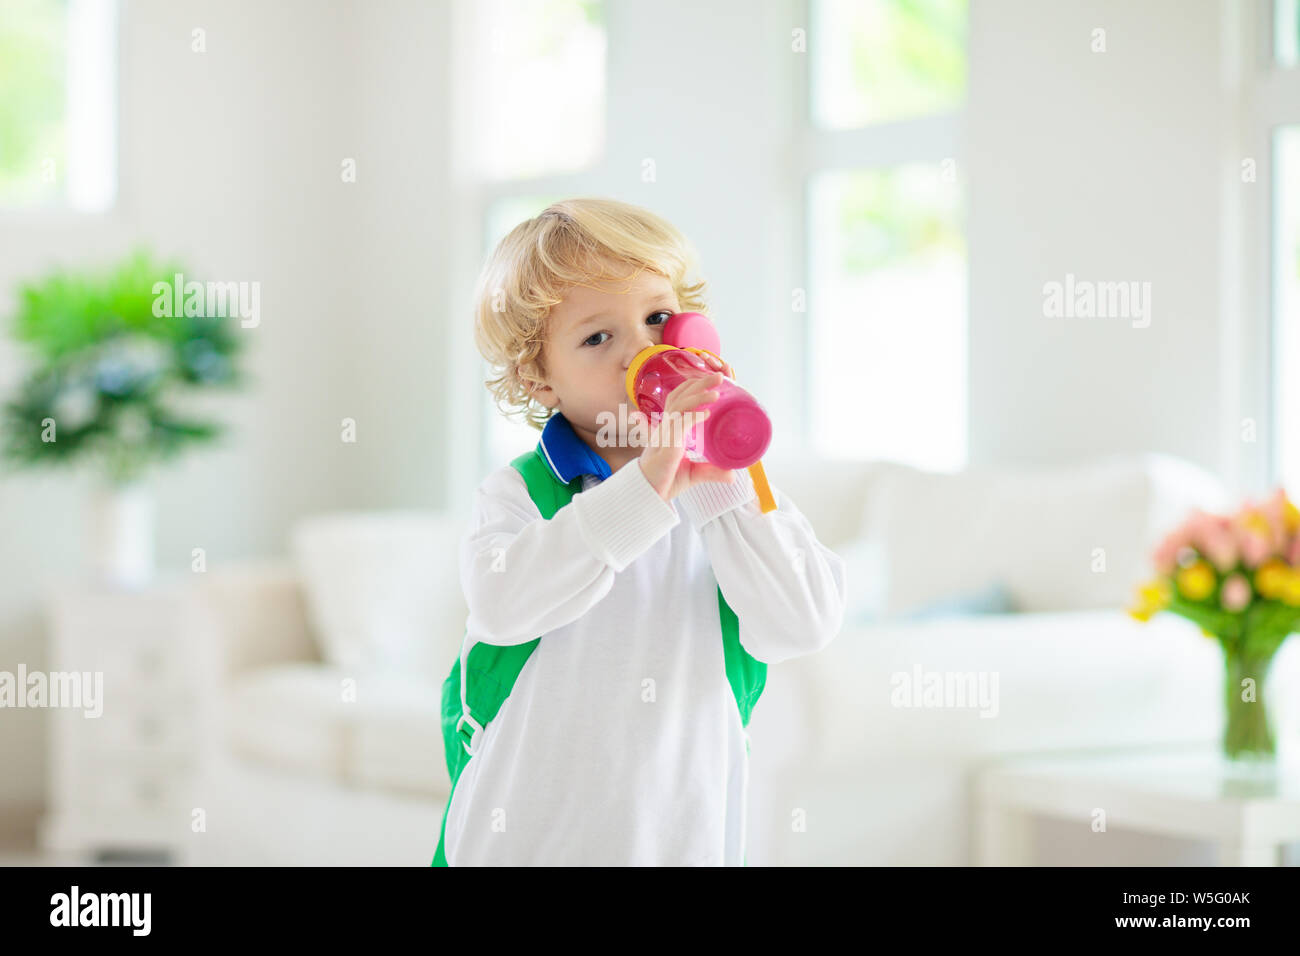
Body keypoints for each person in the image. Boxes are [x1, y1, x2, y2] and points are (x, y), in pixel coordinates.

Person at [436, 196, 846, 866]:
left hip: (684, 841)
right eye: (599, 337)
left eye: (657, 318)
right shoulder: (520, 493)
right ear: (538, 379)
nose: (644, 349)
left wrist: (721, 477)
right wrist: (647, 483)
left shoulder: (731, 488)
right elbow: (503, 605)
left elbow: (803, 622)